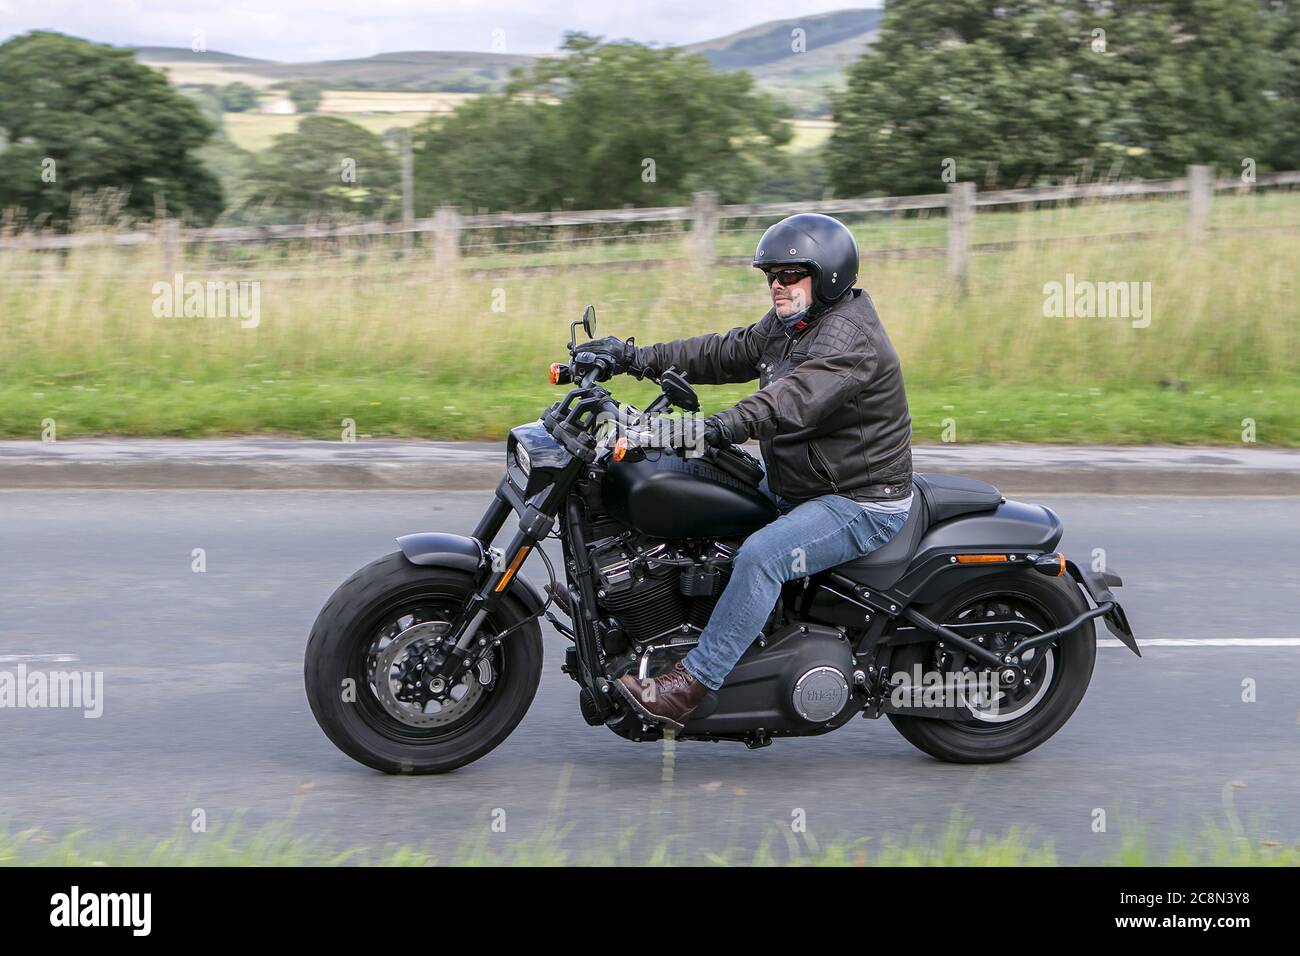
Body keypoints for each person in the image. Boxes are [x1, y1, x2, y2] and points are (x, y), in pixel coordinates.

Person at [576, 213, 913, 732]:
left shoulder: (848, 339)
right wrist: (631, 357)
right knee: (689, 489)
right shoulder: (790, 324)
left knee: (760, 557)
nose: (777, 285)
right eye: (770, 275)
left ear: (826, 277)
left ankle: (689, 686)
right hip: (798, 484)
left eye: (790, 275)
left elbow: (783, 405)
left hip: (858, 499)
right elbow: (721, 352)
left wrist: (700, 429)